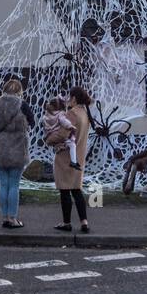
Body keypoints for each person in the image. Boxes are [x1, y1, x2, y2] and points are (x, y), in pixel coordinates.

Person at [0, 78, 32, 229]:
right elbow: (32, 122)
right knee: (14, 184)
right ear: (19, 91)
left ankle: (4, 217)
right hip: (18, 147)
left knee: (4, 184)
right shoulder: (23, 105)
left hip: (1, 146)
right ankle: (13, 218)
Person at [54, 86, 92, 232]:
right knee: (76, 190)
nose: (68, 100)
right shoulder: (85, 113)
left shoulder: (72, 113)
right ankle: (84, 222)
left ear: (74, 98)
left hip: (66, 157)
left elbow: (62, 134)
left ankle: (66, 223)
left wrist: (50, 139)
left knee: (65, 190)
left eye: (70, 97)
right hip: (79, 156)